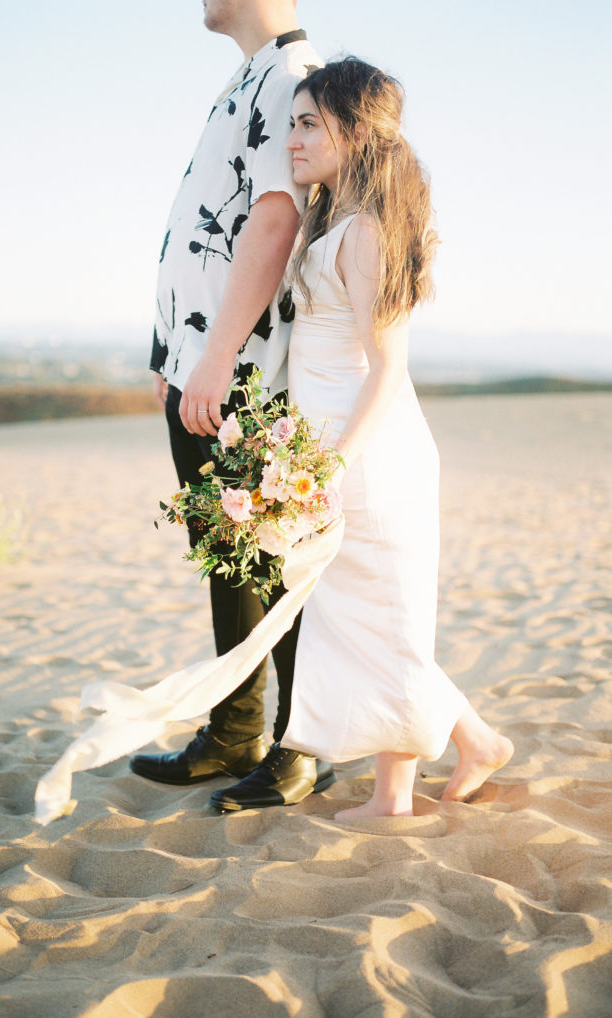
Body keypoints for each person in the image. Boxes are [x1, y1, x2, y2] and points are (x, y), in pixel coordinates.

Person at [217, 57, 513, 817]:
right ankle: (475, 742)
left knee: (384, 621)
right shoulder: (333, 224)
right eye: (291, 124)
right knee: (364, 623)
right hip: (336, 451)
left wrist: (332, 466)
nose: (291, 139)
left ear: (353, 132)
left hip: (371, 454)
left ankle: (394, 799)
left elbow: (388, 369)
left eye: (308, 124)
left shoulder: (366, 233)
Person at [131, 0, 333, 807]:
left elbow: (275, 220)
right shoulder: (252, 75)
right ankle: (235, 731)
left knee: (269, 558)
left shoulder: (293, 76)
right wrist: (171, 352)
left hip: (243, 367)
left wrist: (216, 357)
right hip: (204, 362)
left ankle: (302, 742)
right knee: (229, 557)